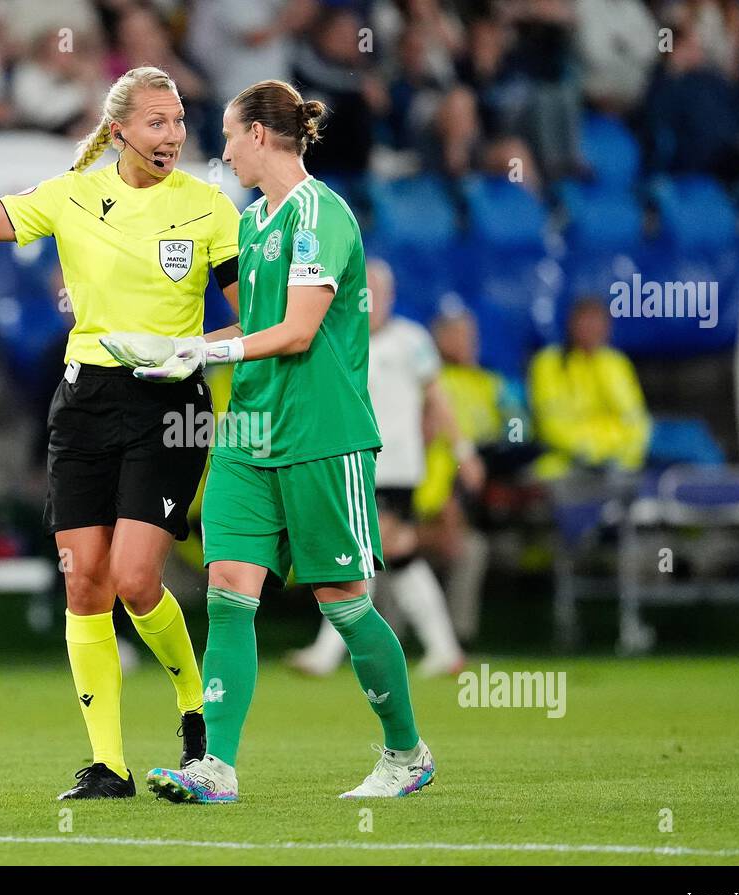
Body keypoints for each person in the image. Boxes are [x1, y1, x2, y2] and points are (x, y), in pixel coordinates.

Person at [0, 66, 241, 800]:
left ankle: (195, 715)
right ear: (119, 129)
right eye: (157, 122)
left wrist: (206, 350)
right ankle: (110, 766)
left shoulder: (210, 208)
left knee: (134, 579)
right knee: (85, 584)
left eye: (180, 121)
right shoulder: (72, 195)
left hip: (170, 407)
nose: (174, 136)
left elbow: (253, 318)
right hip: (84, 401)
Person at [106, 81, 437, 802]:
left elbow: (296, 332)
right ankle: (215, 767)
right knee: (228, 589)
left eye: (227, 135)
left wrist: (207, 357)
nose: (220, 151)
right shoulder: (252, 224)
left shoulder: (323, 216)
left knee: (345, 601)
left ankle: (406, 754)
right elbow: (252, 325)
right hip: (248, 434)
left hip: (322, 435)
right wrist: (178, 346)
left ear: (259, 135)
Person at [287, 258, 480, 679]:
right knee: (397, 555)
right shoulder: (339, 337)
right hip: (351, 466)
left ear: (391, 296)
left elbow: (437, 400)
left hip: (395, 469)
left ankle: (327, 653)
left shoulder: (412, 341)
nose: (371, 302)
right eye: (364, 293)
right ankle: (444, 648)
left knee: (360, 556)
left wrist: (462, 450)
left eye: (378, 293)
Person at [528, 297, 650, 479]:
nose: (591, 329)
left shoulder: (616, 364)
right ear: (571, 325)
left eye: (597, 322)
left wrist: (617, 456)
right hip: (563, 465)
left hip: (618, 466)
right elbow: (550, 425)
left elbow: (636, 422)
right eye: (585, 322)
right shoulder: (547, 362)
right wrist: (591, 450)